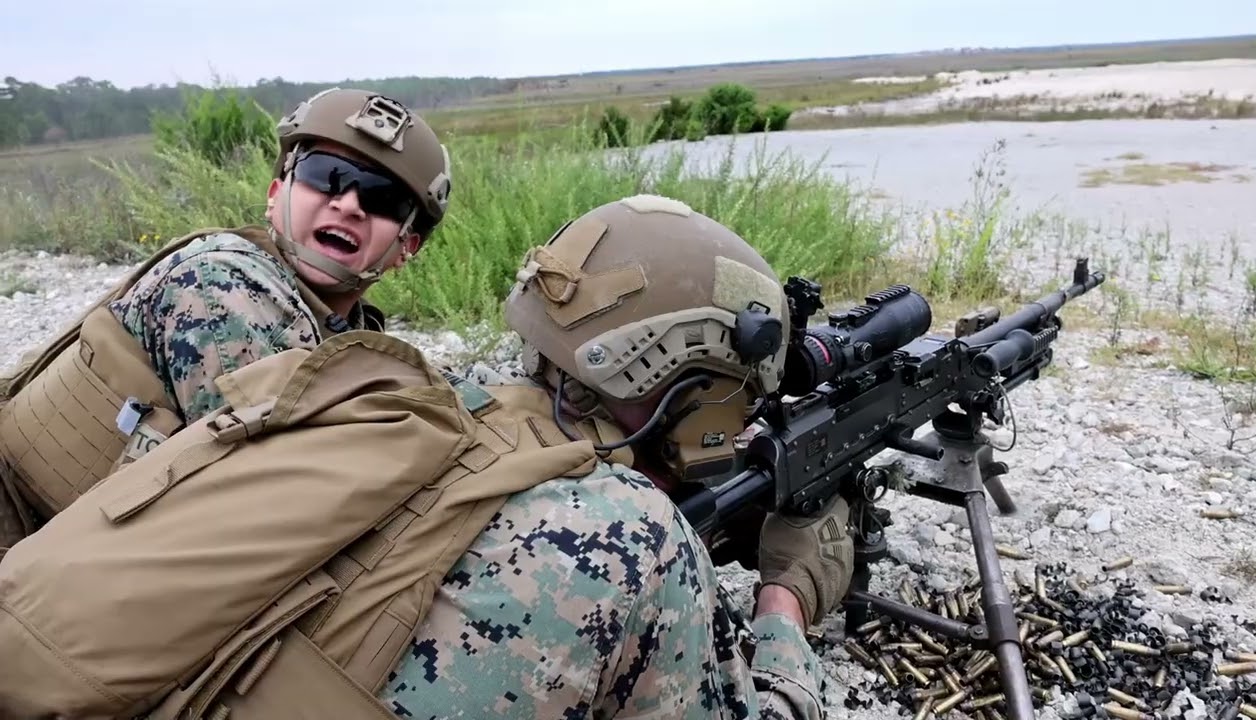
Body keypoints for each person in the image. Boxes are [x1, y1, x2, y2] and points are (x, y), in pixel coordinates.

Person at [376, 193, 855, 718]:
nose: (744, 416)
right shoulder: (637, 537)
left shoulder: (429, 403)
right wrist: (789, 598)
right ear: (690, 385)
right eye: (743, 395)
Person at [0, 86, 451, 529]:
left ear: (406, 246)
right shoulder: (222, 280)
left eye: (381, 197)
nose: (349, 204)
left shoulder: (343, 329)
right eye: (325, 175)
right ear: (276, 195)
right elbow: (277, 504)